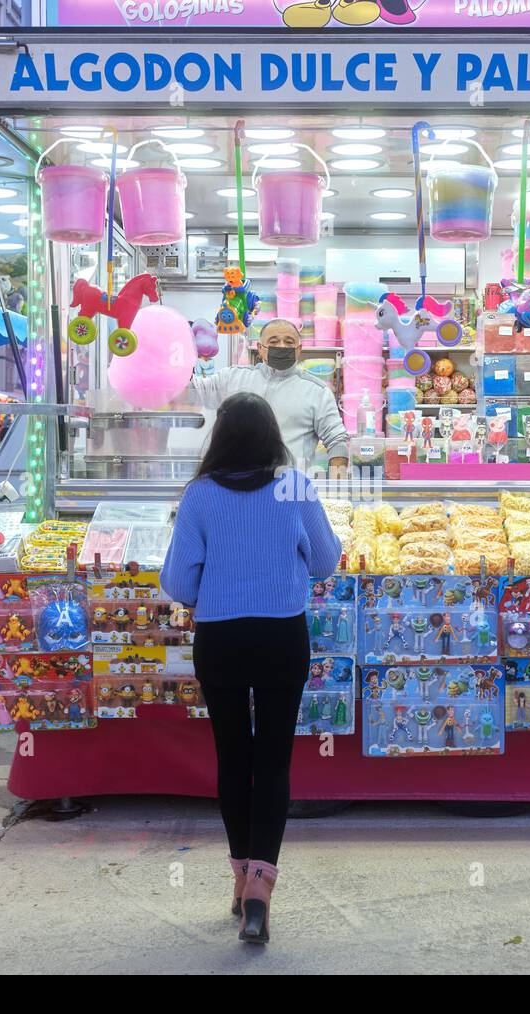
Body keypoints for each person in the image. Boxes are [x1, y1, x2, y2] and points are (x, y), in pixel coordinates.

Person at [160, 393, 340, 946]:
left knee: (233, 757)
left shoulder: (199, 495)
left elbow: (178, 583)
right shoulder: (293, 486)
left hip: (222, 639)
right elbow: (328, 559)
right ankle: (263, 883)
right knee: (275, 758)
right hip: (282, 635)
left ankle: (241, 879)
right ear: (272, 436)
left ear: (220, 436)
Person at [189, 318, 350, 475]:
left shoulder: (317, 391)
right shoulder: (232, 378)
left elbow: (337, 441)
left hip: (288, 492)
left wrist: (336, 489)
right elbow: (192, 393)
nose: (281, 346)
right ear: (260, 348)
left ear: (299, 349)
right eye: (273, 342)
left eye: (289, 342)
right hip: (235, 488)